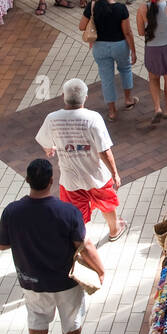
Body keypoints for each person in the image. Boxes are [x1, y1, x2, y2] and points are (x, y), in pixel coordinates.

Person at [0, 156, 105, 334]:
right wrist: (99, 270)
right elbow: (83, 246)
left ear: (27, 180)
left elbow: (2, 244)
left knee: (37, 316)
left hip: (31, 280)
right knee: (71, 318)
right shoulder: (67, 211)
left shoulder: (12, 211)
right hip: (65, 280)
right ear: (51, 180)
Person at [36, 78, 126, 240]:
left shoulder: (52, 118)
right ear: (85, 97)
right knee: (107, 204)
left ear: (63, 96)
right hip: (97, 175)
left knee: (75, 212)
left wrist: (51, 149)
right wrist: (114, 173)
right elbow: (104, 151)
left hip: (70, 178)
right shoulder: (93, 118)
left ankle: (80, 240)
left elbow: (45, 143)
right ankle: (114, 230)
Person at [79, 0, 137, 122]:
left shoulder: (93, 7)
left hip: (100, 47)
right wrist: (133, 51)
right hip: (119, 46)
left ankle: (112, 111)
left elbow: (81, 26)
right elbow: (128, 32)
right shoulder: (121, 8)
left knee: (106, 78)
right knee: (125, 70)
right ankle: (128, 99)